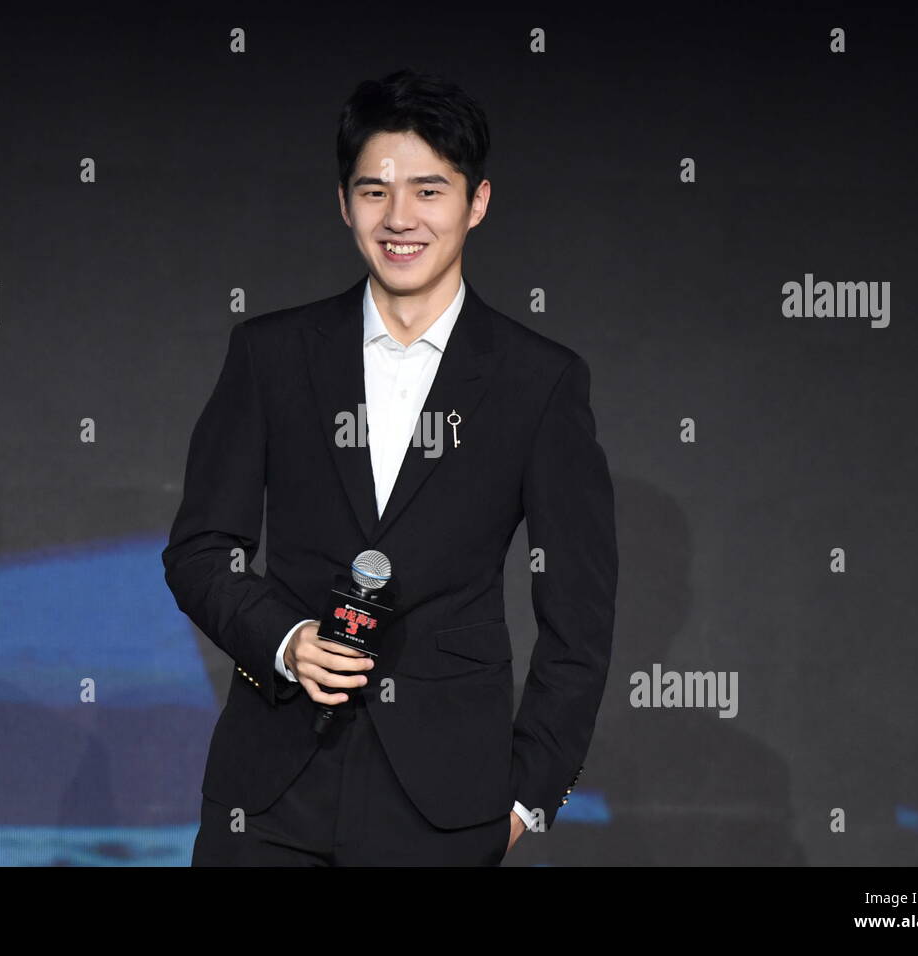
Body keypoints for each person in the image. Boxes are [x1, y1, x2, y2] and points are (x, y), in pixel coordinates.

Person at [163, 68, 617, 866]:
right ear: (344, 204)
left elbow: (579, 617)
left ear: (476, 203)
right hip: (269, 793)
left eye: (429, 191)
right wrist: (287, 638)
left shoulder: (538, 381)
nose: (399, 217)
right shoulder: (271, 355)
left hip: (446, 809)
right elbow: (201, 551)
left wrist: (525, 800)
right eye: (374, 191)